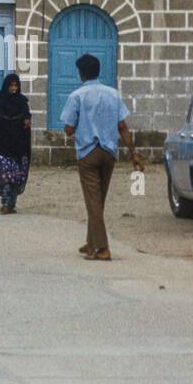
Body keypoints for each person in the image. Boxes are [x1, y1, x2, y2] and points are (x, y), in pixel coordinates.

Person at [61, 53, 143, 261]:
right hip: (109, 152)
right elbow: (123, 127)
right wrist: (133, 153)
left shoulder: (77, 96)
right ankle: (91, 243)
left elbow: (69, 129)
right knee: (98, 201)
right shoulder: (113, 94)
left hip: (88, 153)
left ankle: (103, 248)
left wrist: (74, 125)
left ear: (81, 73)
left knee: (93, 202)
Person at [0, 72, 32, 215]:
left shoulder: (22, 102)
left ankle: (11, 204)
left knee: (16, 177)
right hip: (2, 145)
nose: (14, 88)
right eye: (11, 85)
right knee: (5, 176)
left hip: (18, 146)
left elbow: (26, 119)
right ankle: (5, 203)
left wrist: (26, 121)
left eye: (16, 85)